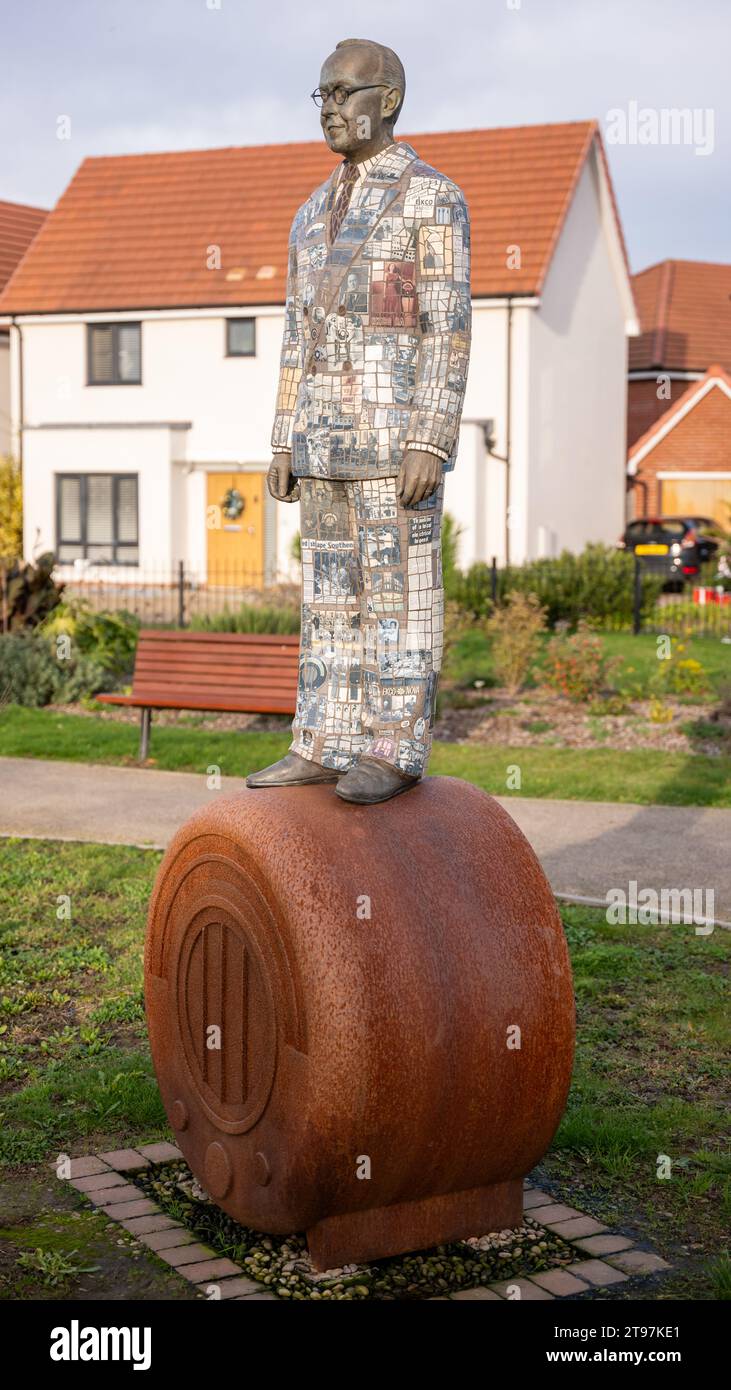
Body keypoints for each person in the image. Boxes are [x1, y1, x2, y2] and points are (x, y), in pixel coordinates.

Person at [247, 36, 471, 804]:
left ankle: (394, 744)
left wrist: (429, 439)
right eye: (322, 95)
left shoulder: (430, 197)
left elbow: (447, 327)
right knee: (328, 600)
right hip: (320, 446)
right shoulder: (309, 215)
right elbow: (292, 337)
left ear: (389, 99)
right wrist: (284, 436)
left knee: (400, 600)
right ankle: (323, 737)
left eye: (344, 92)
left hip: (392, 444)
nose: (332, 108)